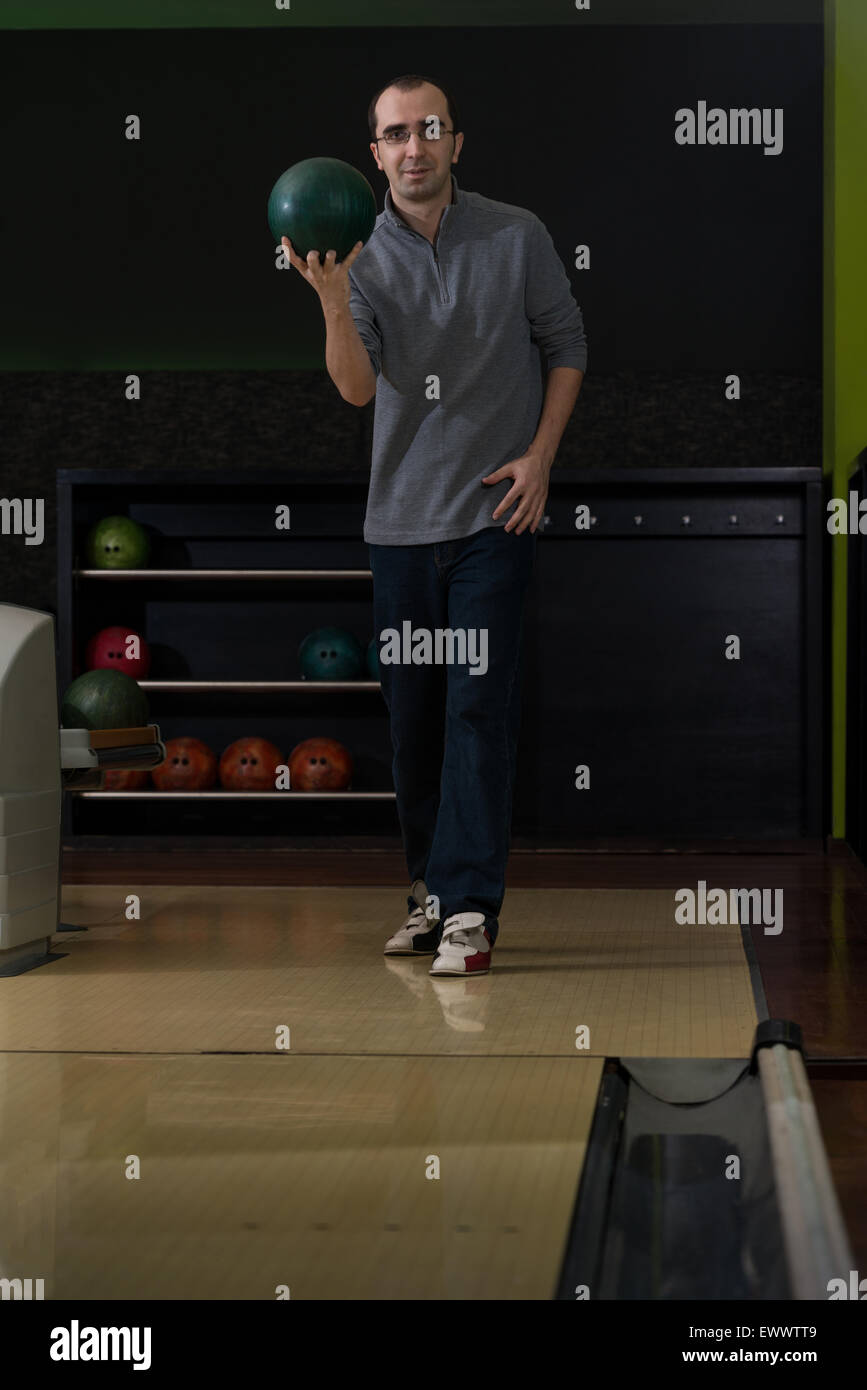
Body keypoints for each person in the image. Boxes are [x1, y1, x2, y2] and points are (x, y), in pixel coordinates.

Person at [282, 74, 587, 976]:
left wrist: (539, 457)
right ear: (373, 154)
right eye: (394, 134)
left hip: (494, 516)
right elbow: (356, 387)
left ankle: (468, 912)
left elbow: (567, 343)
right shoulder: (356, 254)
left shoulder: (515, 234)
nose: (412, 147)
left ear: (456, 141)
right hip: (401, 527)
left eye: (428, 129)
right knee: (414, 717)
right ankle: (429, 894)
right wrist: (333, 299)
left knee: (476, 707)